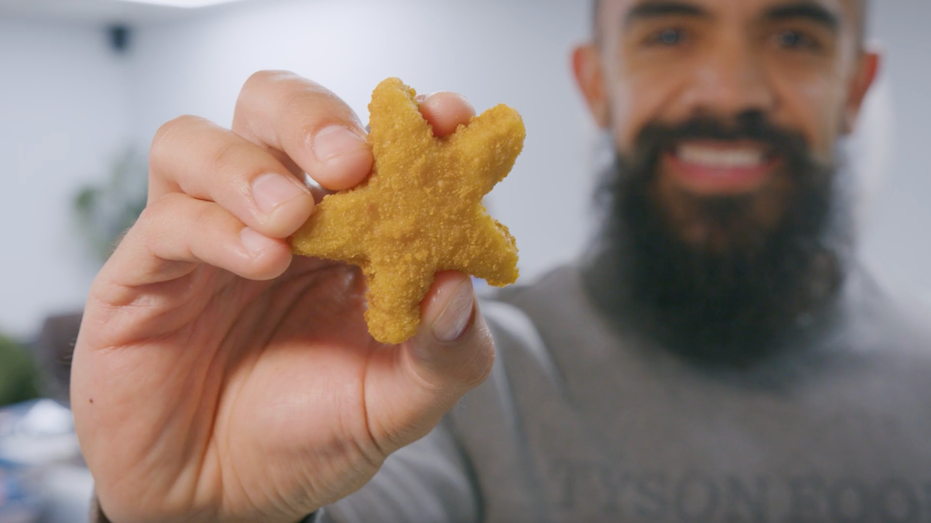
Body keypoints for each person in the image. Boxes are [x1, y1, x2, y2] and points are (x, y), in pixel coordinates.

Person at [73, 0, 931, 522]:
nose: (729, 90)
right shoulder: (455, 376)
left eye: (793, 35)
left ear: (855, 88)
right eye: (670, 30)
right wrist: (189, 514)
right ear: (595, 82)